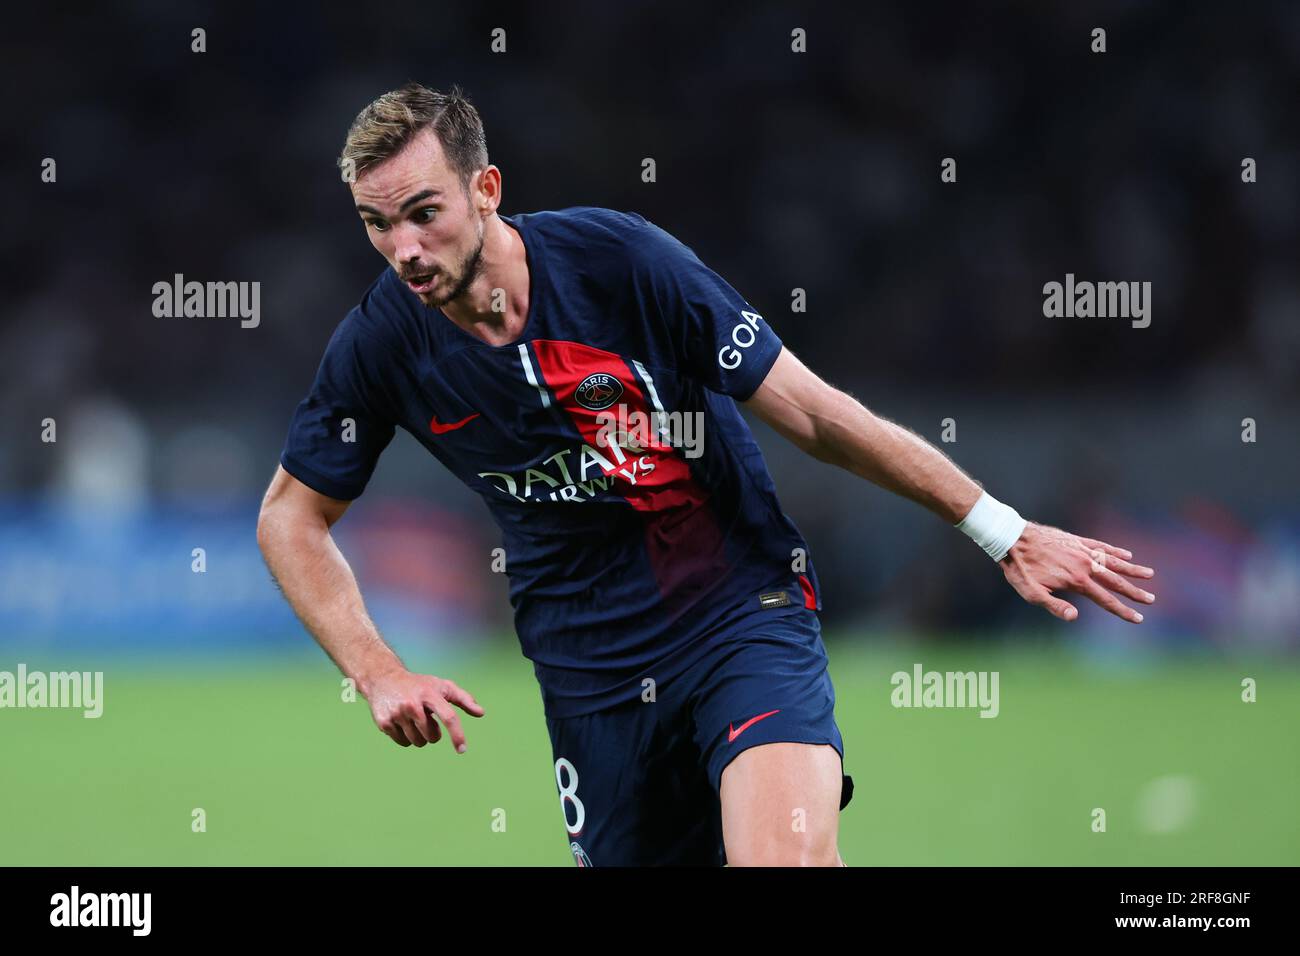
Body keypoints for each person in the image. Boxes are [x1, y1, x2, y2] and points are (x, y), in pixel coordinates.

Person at [256, 83, 1157, 867]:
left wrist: (1001, 529)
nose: (404, 248)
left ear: (486, 190)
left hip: (737, 613)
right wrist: (376, 671)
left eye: (423, 212)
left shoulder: (621, 264)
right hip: (589, 673)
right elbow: (291, 517)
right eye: (378, 224)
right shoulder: (380, 347)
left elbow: (813, 415)